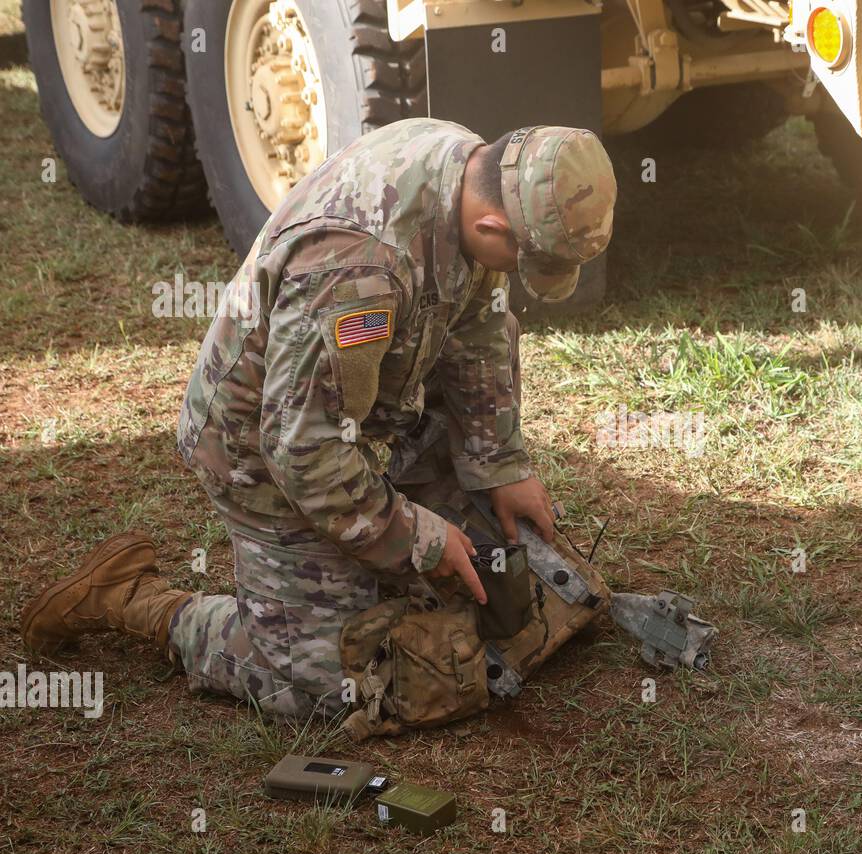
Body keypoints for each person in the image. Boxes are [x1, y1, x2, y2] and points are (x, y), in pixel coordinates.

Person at [21, 119, 617, 720]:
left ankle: (390, 554)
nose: (514, 276)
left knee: (493, 579)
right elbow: (300, 446)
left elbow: (480, 323)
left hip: (352, 416)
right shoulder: (359, 265)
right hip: (258, 447)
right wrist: (414, 536)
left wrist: (499, 464)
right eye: (521, 260)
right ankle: (134, 599)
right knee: (344, 687)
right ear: (493, 224)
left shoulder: (473, 169)